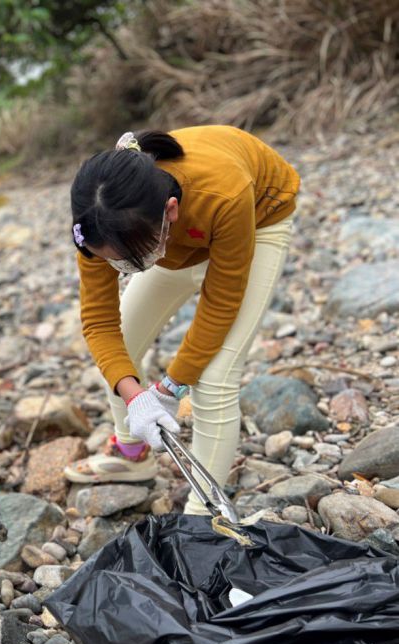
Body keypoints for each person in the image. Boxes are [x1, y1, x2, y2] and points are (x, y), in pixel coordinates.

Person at [63, 126, 300, 516]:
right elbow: (100, 323)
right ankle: (132, 454)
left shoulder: (224, 193)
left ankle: (203, 518)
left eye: (127, 263)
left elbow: (220, 304)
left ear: (170, 211)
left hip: (257, 220)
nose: (119, 269)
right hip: (161, 239)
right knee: (121, 350)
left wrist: (171, 386)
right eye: (113, 262)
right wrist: (135, 397)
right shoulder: (98, 221)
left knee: (214, 378)